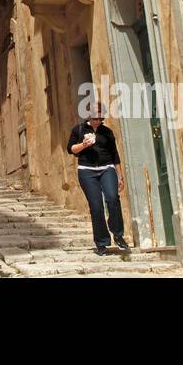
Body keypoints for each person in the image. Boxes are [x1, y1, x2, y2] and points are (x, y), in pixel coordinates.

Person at [66, 104, 129, 255]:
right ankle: (102, 242)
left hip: (107, 168)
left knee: (113, 198)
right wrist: (83, 144)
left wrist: (120, 176)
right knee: (96, 207)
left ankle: (118, 234)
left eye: (101, 118)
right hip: (87, 171)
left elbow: (115, 155)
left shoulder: (107, 132)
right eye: (95, 118)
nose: (98, 121)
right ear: (88, 115)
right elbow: (70, 149)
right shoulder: (78, 130)